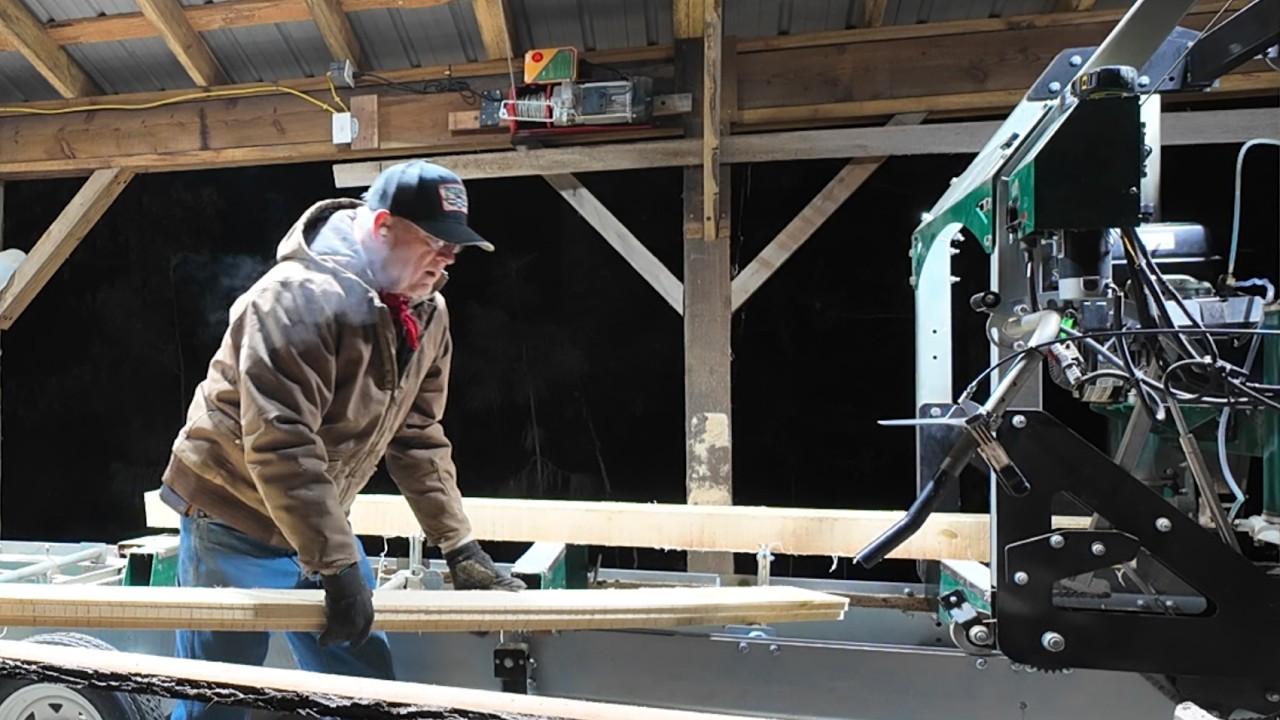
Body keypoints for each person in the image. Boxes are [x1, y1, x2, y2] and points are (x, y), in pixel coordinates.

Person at [158, 160, 524, 720]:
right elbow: (282, 444)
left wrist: (459, 547)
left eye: (455, 247)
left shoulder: (426, 313)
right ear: (381, 227)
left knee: (364, 687)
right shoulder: (290, 300)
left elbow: (418, 437)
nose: (448, 259)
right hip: (231, 516)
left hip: (315, 510)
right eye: (434, 243)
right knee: (219, 694)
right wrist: (336, 566)